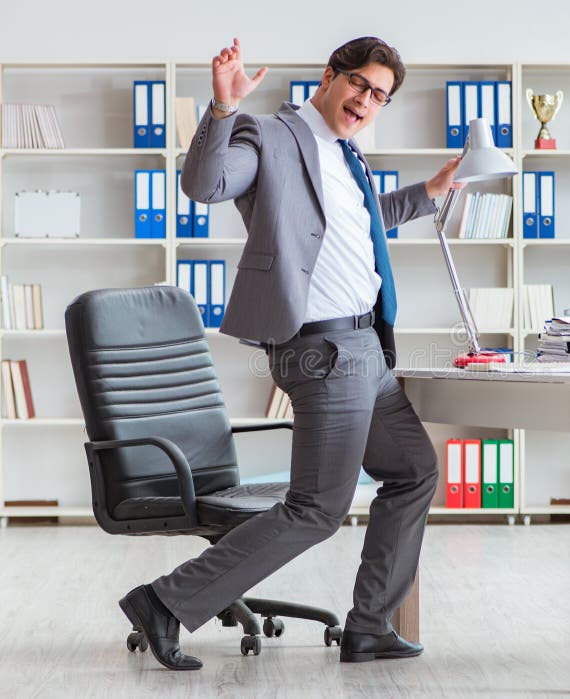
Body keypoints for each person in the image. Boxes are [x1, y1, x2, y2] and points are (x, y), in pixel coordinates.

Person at [118, 36, 463, 670]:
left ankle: (368, 627)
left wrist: (426, 193)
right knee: (316, 510)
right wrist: (222, 109)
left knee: (413, 470)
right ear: (330, 76)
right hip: (326, 350)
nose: (366, 100)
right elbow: (206, 183)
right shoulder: (270, 135)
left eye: (380, 95)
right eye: (359, 83)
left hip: (367, 348)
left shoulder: (345, 155)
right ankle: (164, 602)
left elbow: (353, 227)